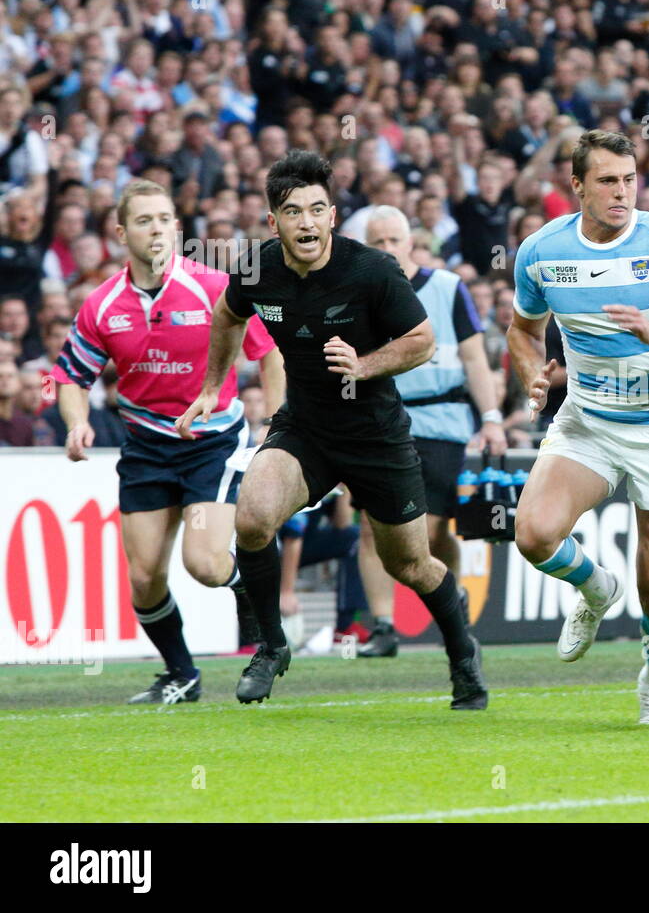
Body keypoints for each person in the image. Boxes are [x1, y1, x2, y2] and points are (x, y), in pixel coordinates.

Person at [179, 150, 487, 709]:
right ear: (274, 221)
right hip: (306, 428)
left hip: (375, 435)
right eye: (294, 212)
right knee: (252, 519)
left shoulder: (372, 269)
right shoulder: (256, 267)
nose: (307, 223)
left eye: (317, 210)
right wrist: (211, 387)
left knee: (409, 564)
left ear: (332, 216)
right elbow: (227, 314)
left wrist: (364, 365)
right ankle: (271, 646)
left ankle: (463, 652)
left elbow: (422, 341)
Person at [508, 129, 649, 725]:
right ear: (577, 185)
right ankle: (596, 588)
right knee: (534, 535)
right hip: (589, 424)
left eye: (629, 179)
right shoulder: (542, 252)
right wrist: (531, 375)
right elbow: (523, 330)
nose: (622, 192)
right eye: (607, 181)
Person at [51, 179, 285, 705]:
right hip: (146, 450)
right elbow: (69, 377)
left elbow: (269, 352)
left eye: (163, 219)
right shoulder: (102, 304)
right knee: (144, 577)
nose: (156, 230)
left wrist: (276, 422)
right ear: (120, 233)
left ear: (177, 228)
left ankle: (253, 592)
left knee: (204, 563)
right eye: (143, 221)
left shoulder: (213, 286)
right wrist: (76, 422)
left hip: (211, 443)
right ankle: (181, 674)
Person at [356, 205, 508, 658]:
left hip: (442, 425)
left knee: (431, 533)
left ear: (411, 243)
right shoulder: (359, 294)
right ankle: (383, 626)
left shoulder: (447, 287)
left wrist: (492, 418)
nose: (387, 249)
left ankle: (452, 602)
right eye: (377, 242)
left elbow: (474, 357)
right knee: (373, 528)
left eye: (393, 240)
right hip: (381, 425)